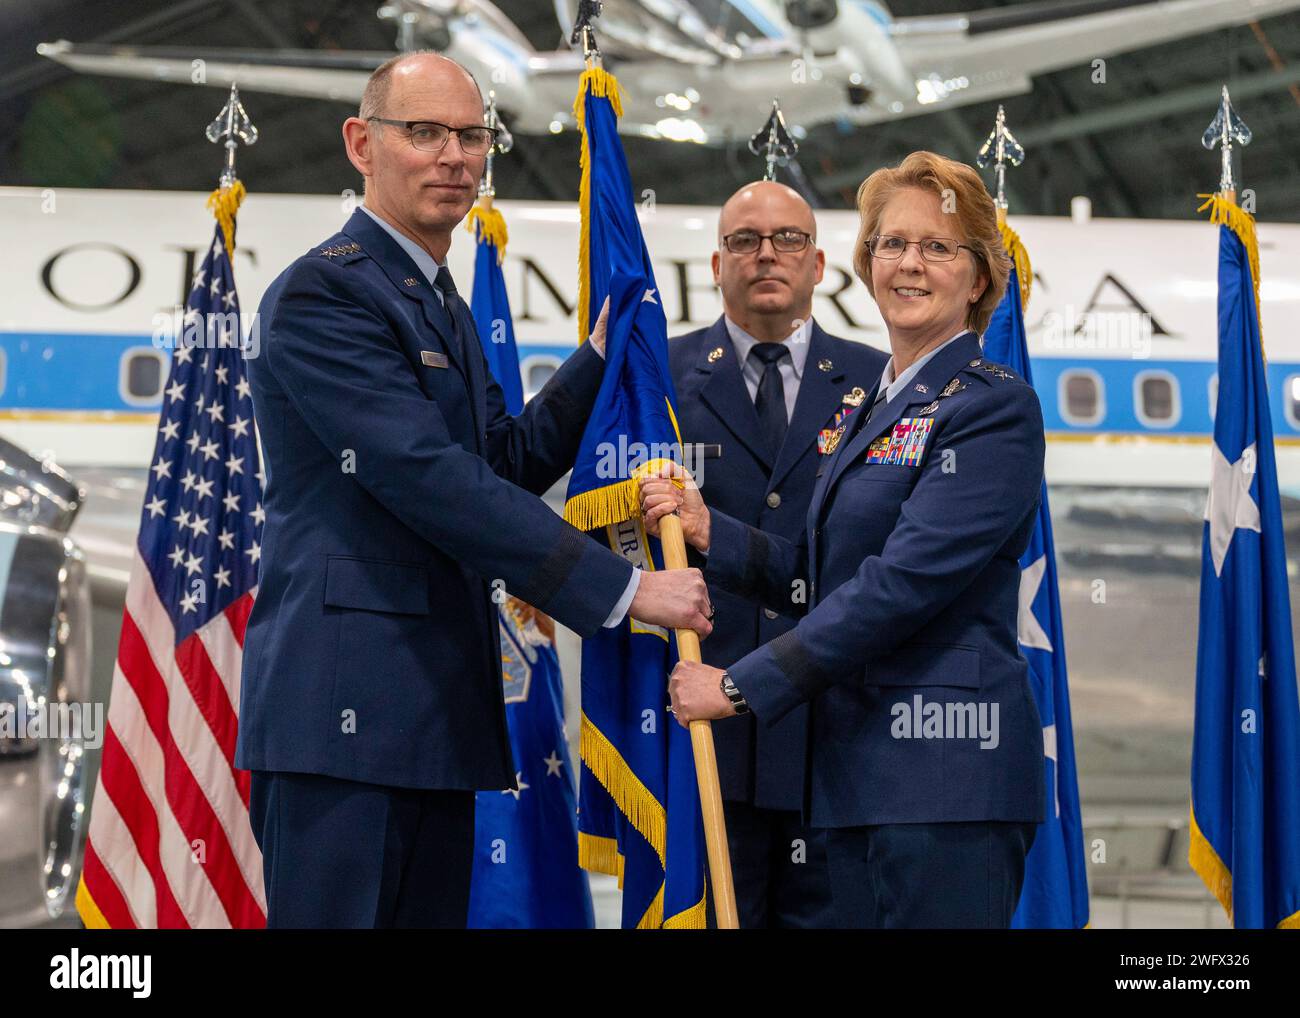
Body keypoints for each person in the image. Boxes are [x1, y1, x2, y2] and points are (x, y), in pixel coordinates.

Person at [236, 52, 712, 928]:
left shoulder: (434, 299)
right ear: (360, 143)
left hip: (428, 721)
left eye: (470, 135)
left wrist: (599, 359)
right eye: (423, 132)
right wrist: (626, 589)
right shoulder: (325, 294)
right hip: (346, 721)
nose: (454, 156)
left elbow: (497, 459)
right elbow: (430, 478)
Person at [642, 151, 1046, 929]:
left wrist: (736, 686)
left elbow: (899, 585)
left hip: (944, 783)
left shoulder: (991, 409)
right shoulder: (869, 407)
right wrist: (709, 531)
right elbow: (817, 574)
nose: (910, 264)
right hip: (855, 779)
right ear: (864, 264)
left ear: (981, 276)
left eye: (938, 247)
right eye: (891, 244)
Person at [669, 180, 886, 928]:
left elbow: (877, 561)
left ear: (820, 263)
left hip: (833, 737)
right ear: (716, 262)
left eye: (788, 239)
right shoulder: (656, 380)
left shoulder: (880, 385)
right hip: (699, 737)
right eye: (744, 240)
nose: (767, 254)